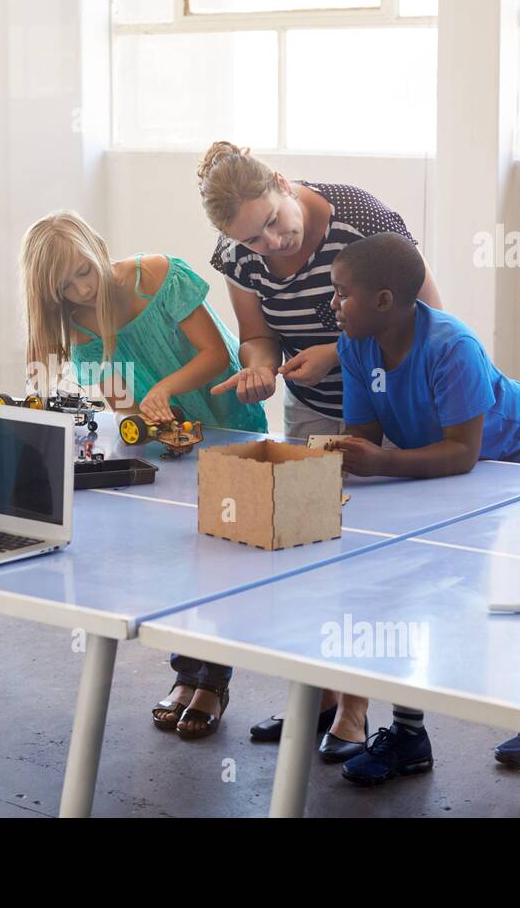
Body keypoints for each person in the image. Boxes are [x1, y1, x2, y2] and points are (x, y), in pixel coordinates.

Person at [197, 140, 445, 757]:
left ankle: (357, 712)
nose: (271, 244)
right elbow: (258, 337)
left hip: (388, 402)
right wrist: (259, 367)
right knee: (311, 558)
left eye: (274, 224)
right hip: (311, 410)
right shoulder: (238, 255)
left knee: (373, 567)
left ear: (283, 182)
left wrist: (340, 352)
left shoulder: (362, 220)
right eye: (254, 240)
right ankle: (320, 701)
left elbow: (430, 316)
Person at [328, 231, 520, 785]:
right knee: (391, 587)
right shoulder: (354, 344)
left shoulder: (452, 345)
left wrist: (377, 462)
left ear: (385, 301)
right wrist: (349, 454)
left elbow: (463, 453)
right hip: (438, 465)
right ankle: (409, 738)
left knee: (516, 601)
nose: (333, 304)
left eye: (342, 293)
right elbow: (366, 432)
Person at [19, 210, 265, 739]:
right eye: (67, 287)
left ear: (97, 248)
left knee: (218, 560)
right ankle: (186, 673)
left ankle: (211, 683)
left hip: (226, 423)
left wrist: (166, 390)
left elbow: (215, 354)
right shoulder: (77, 325)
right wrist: (143, 417)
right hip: (171, 443)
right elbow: (124, 405)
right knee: (180, 560)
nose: (83, 290)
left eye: (86, 271)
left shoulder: (155, 275)